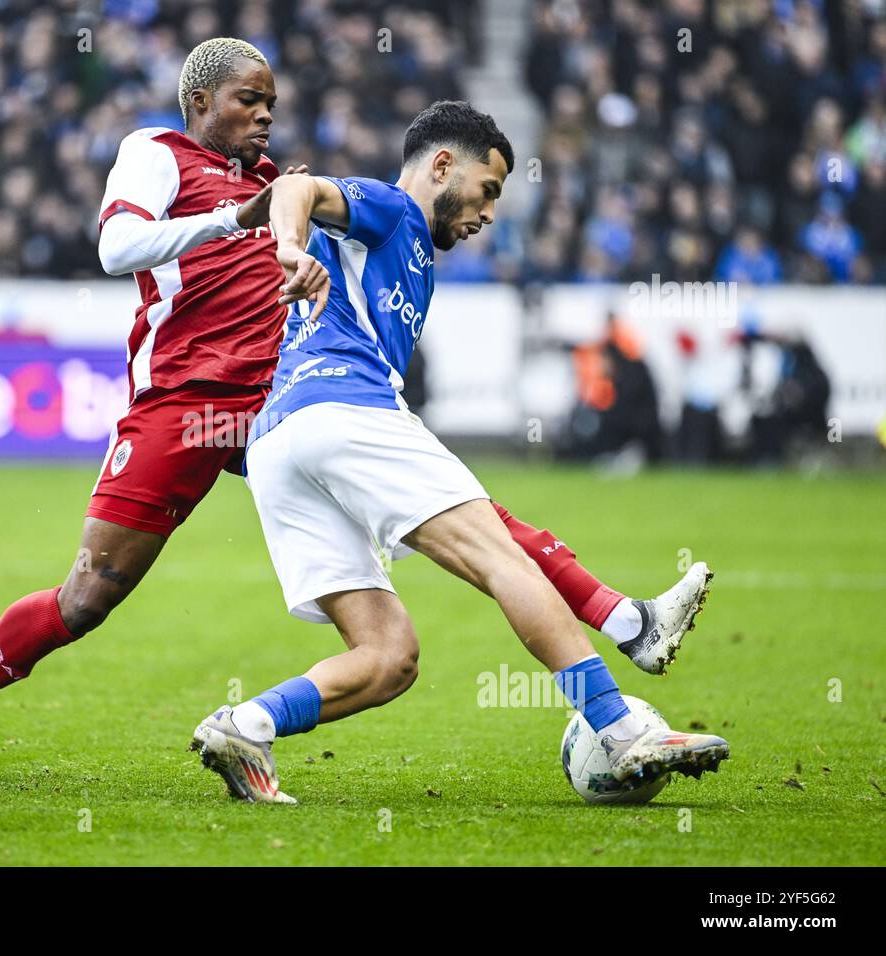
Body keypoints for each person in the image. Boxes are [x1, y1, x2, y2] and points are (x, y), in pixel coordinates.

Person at [0, 41, 711, 783]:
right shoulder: (156, 154)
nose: (264, 115)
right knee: (88, 596)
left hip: (275, 405)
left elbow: (319, 207)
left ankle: (625, 619)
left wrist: (285, 229)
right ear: (198, 101)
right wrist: (241, 222)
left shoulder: (277, 187)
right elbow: (118, 249)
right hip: (187, 401)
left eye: (271, 103)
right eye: (247, 100)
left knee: (470, 537)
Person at [189, 100, 729, 803]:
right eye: (489, 190)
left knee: (388, 657)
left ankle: (246, 725)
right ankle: (619, 727)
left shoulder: (405, 252)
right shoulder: (393, 209)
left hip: (281, 445)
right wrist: (289, 245)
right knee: (502, 562)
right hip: (346, 411)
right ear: (442, 165)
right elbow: (295, 189)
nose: (488, 215)